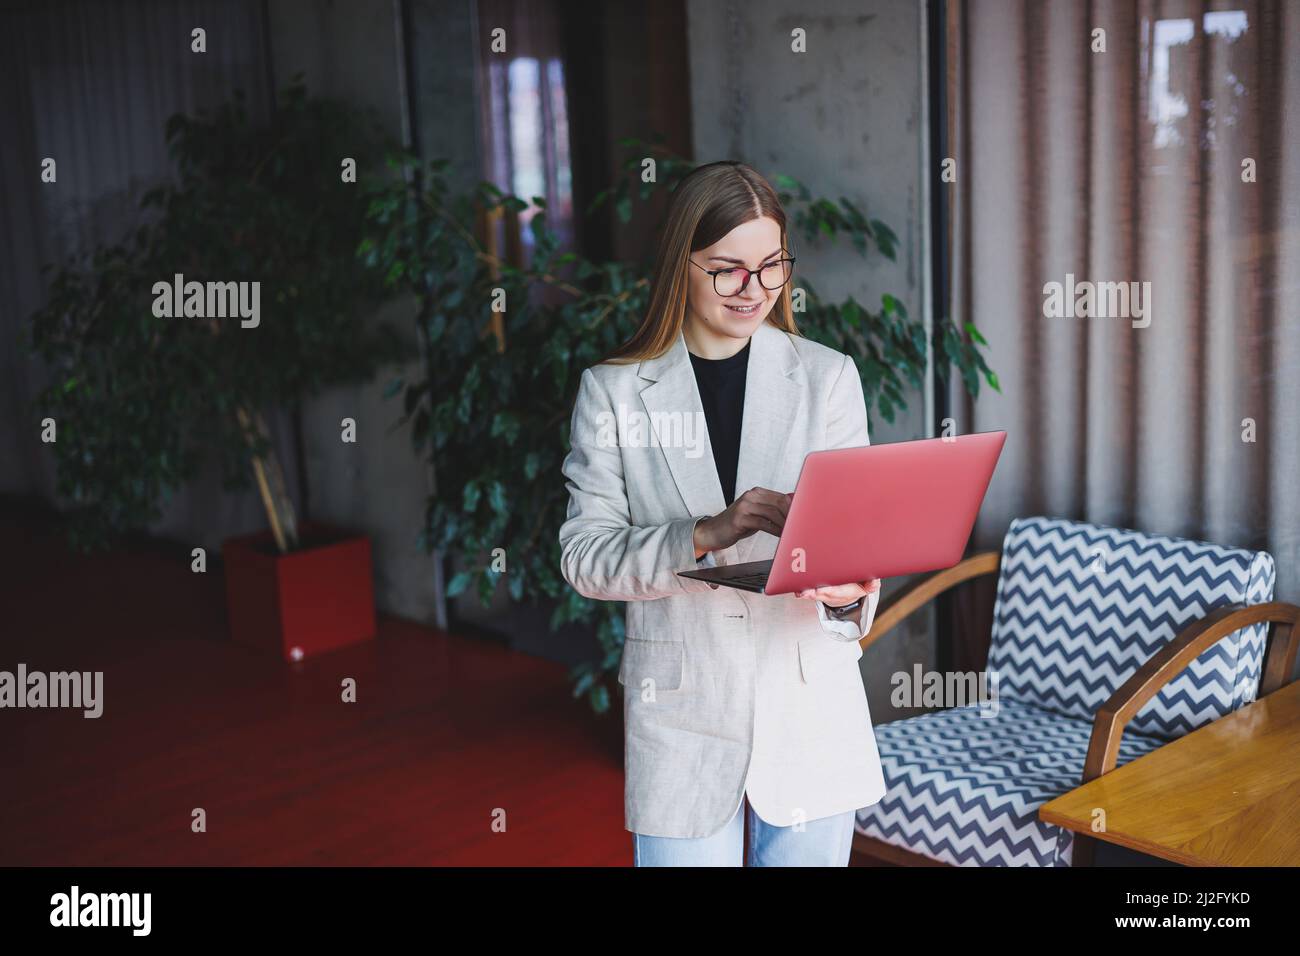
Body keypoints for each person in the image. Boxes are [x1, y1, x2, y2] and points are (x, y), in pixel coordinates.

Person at [558, 160, 886, 866]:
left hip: (809, 706)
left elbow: (856, 554)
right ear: (683, 265)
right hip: (682, 712)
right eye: (728, 269)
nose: (755, 290)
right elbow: (585, 557)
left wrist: (849, 589)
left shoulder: (828, 378)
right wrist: (707, 533)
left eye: (772, 266)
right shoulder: (612, 393)